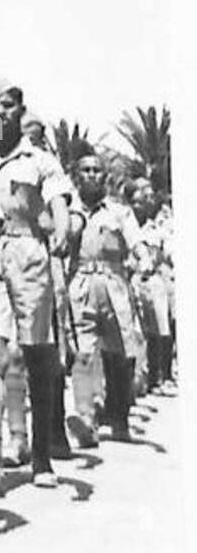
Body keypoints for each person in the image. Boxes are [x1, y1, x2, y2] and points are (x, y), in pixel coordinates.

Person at [0, 78, 72, 494]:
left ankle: (42, 453)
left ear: (21, 108)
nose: (3, 112)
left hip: (30, 252)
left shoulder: (39, 159)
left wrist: (63, 230)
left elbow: (58, 201)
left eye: (9, 105)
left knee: (36, 353)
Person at [67, 155, 150, 442]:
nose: (91, 175)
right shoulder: (67, 210)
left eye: (96, 170)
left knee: (120, 355)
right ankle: (85, 417)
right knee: (82, 350)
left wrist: (144, 257)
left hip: (114, 284)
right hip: (81, 282)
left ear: (105, 176)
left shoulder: (119, 212)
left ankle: (119, 417)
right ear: (76, 176)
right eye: (85, 170)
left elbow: (136, 239)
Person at [130, 180, 175, 393]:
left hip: (154, 281)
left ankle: (162, 375)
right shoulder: (127, 226)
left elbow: (168, 253)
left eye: (142, 202)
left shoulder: (155, 228)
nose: (139, 206)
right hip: (132, 281)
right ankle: (143, 377)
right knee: (139, 331)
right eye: (135, 202)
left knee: (160, 329)